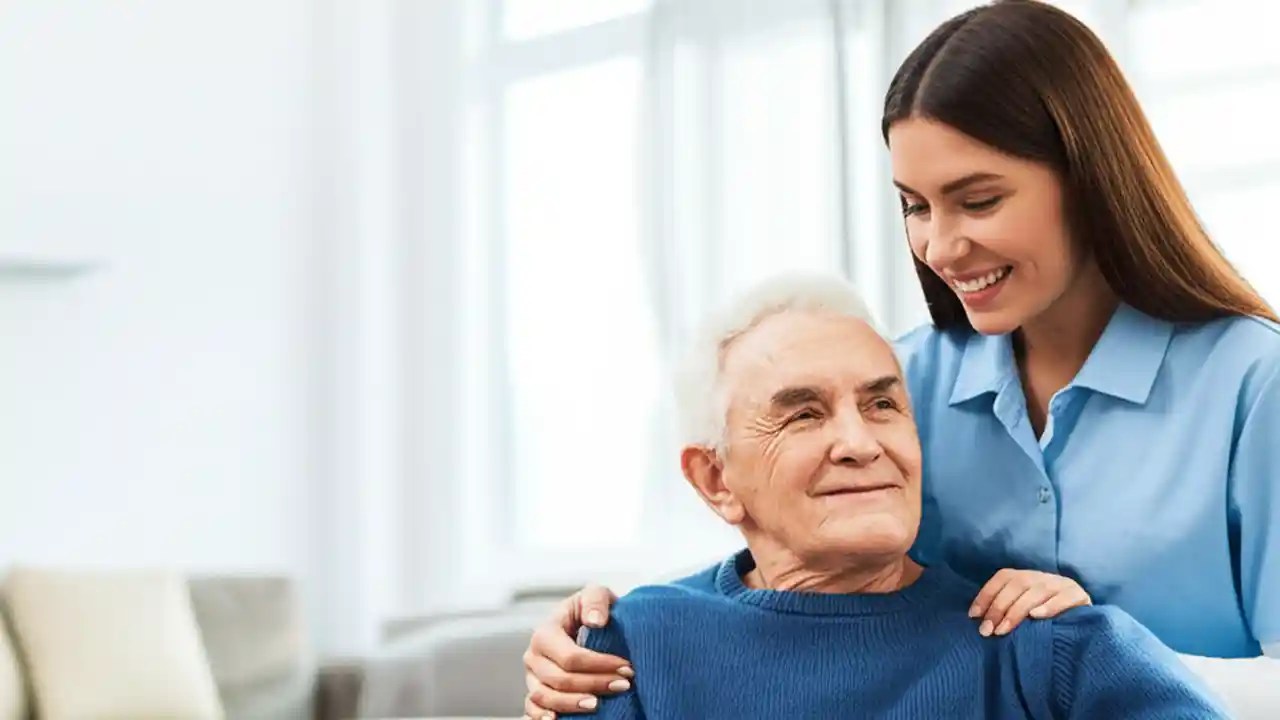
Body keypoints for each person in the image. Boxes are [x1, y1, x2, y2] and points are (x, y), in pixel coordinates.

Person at [522, 1, 1280, 715]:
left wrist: (1100, 658)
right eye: (916, 206)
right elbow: (813, 577)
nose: (941, 247)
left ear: (1090, 181)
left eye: (979, 201)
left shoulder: (1254, 384)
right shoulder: (903, 382)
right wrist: (602, 631)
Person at [569, 275, 1227, 719]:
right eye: (803, 415)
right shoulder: (625, 648)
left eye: (882, 403)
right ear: (716, 480)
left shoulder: (1047, 643)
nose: (860, 442)